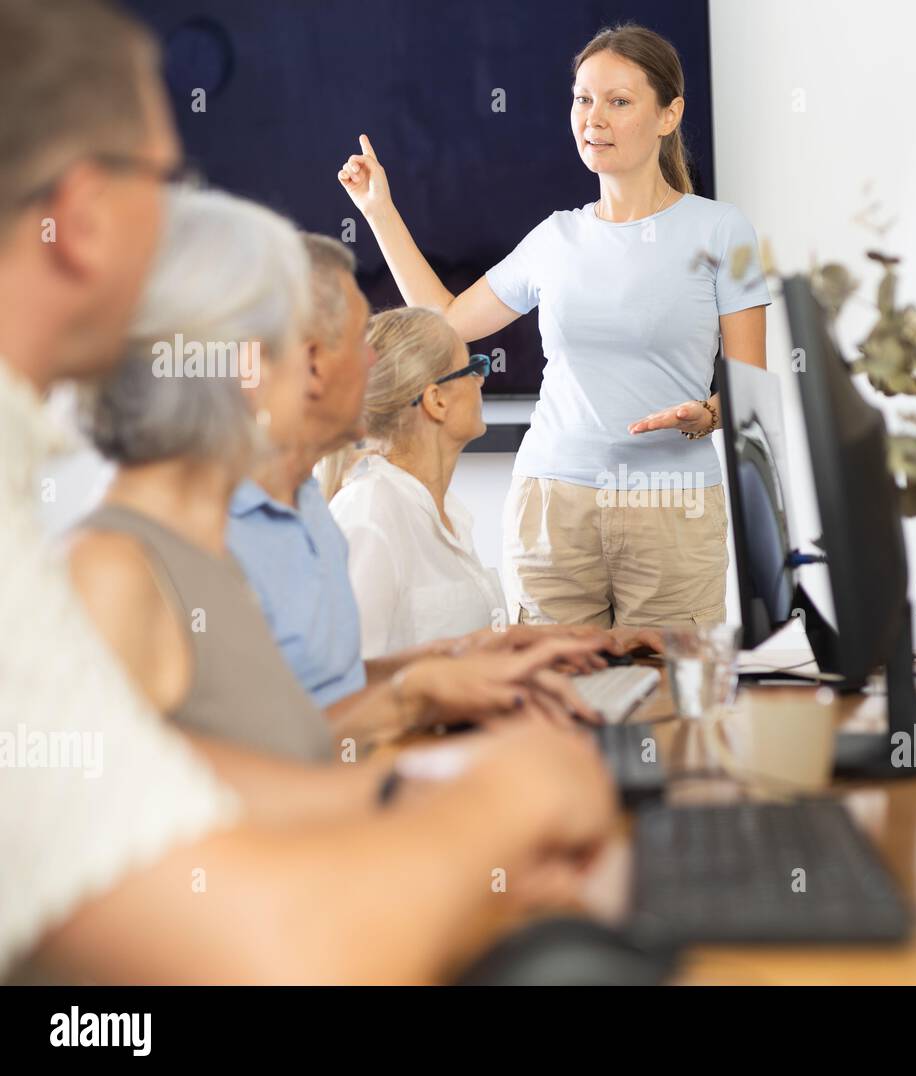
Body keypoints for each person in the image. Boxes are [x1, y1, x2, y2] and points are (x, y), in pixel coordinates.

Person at [1, 0, 614, 985]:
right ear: (78, 216)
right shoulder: (109, 564)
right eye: (165, 178)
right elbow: (267, 948)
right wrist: (515, 794)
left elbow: (194, 788)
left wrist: (430, 749)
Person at [337, 23, 770, 630]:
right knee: (554, 704)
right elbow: (446, 325)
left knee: (670, 708)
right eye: (583, 98)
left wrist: (711, 414)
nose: (594, 117)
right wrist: (378, 211)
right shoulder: (556, 237)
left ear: (669, 115)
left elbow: (750, 387)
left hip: (674, 505)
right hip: (552, 503)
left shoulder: (722, 231)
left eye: (619, 102)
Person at [225, 234, 629, 727]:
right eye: (356, 345)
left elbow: (349, 677)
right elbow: (324, 713)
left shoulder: (386, 506)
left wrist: (494, 650)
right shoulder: (362, 514)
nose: (370, 369)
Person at [328, 306, 508, 653]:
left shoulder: (447, 511)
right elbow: (350, 680)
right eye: (473, 369)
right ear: (436, 401)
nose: (481, 380)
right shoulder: (369, 513)